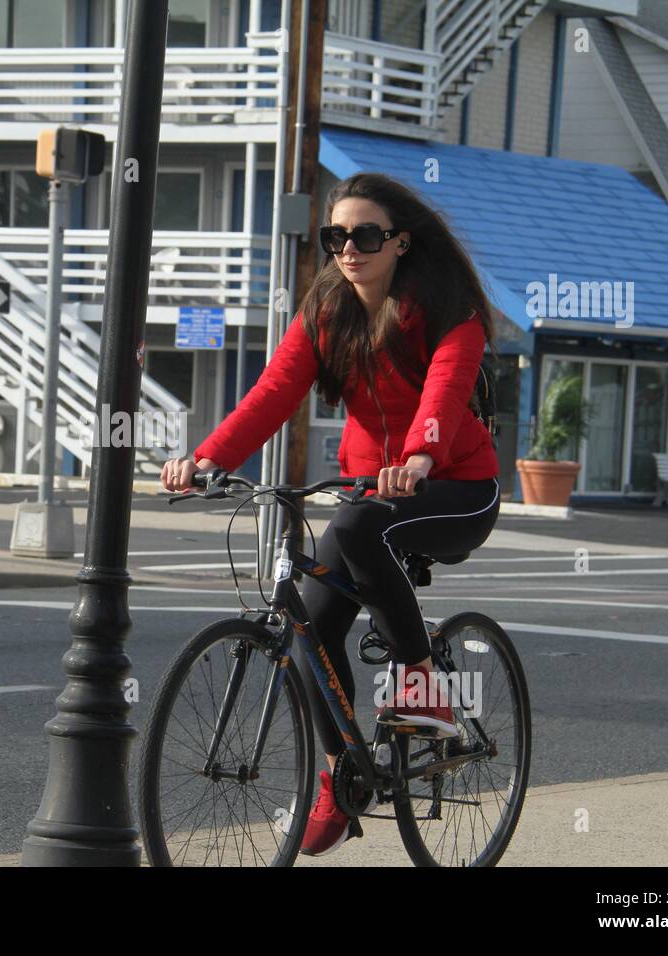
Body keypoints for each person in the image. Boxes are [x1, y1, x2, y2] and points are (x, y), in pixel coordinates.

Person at [160, 172, 501, 855]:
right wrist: (204, 459)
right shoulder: (327, 311)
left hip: (456, 487)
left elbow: (445, 388)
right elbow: (272, 393)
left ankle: (422, 683)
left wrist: (422, 456)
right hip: (371, 488)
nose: (349, 248)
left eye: (366, 235)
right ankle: (344, 778)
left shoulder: (447, 308)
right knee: (310, 623)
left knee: (354, 526)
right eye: (336, 236)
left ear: (400, 242)